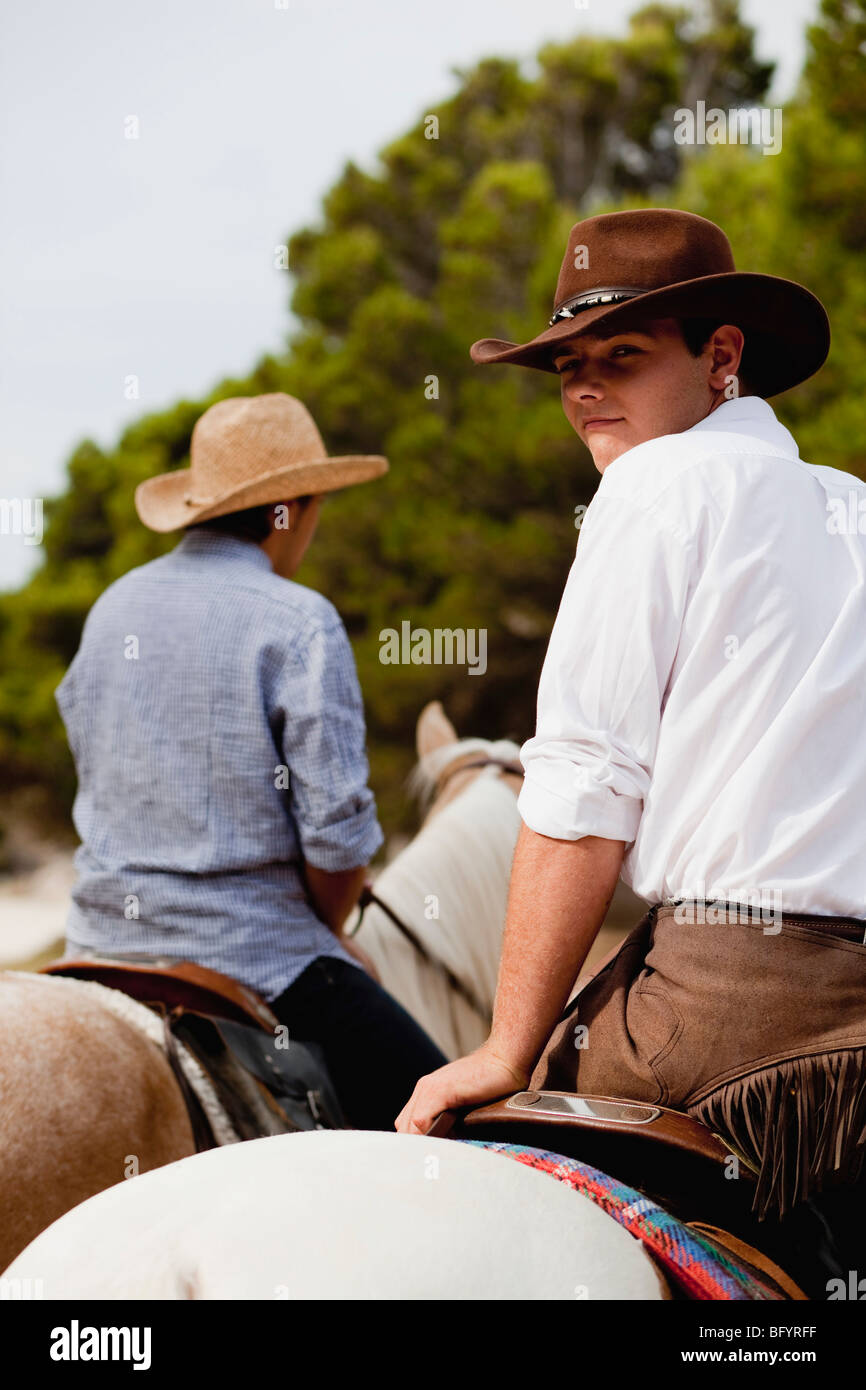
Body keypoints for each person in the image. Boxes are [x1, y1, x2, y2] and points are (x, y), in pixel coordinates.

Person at [395, 208, 866, 1230]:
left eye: (620, 353)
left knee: (460, 1198)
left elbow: (583, 785)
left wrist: (502, 1051)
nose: (581, 387)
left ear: (721, 357)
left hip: (719, 1019)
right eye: (564, 364)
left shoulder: (656, 484)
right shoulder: (850, 508)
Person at [55, 392, 447, 1130]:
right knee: (459, 1128)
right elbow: (335, 833)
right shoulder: (299, 621)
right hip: (253, 956)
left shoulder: (111, 607)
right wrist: (327, 934)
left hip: (97, 945)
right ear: (289, 509)